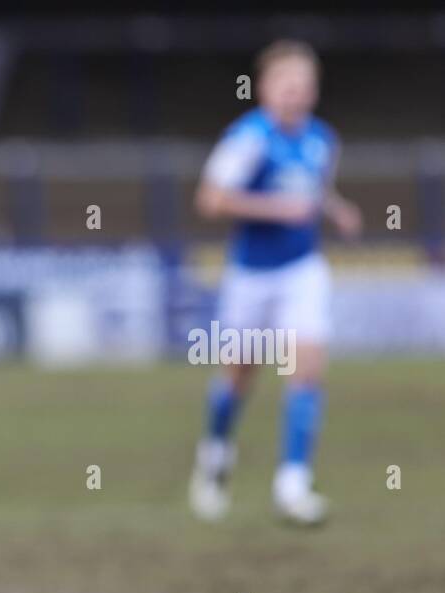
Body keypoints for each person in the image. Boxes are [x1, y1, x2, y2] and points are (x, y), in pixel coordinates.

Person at [189, 40, 361, 525]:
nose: (296, 95)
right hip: (249, 276)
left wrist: (338, 209)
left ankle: (293, 485)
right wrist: (274, 209)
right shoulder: (247, 139)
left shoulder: (322, 139)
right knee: (238, 376)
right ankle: (216, 454)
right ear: (265, 88)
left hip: (302, 270)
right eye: (287, 85)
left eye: (305, 86)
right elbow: (211, 200)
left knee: (306, 368)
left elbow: (315, 188)